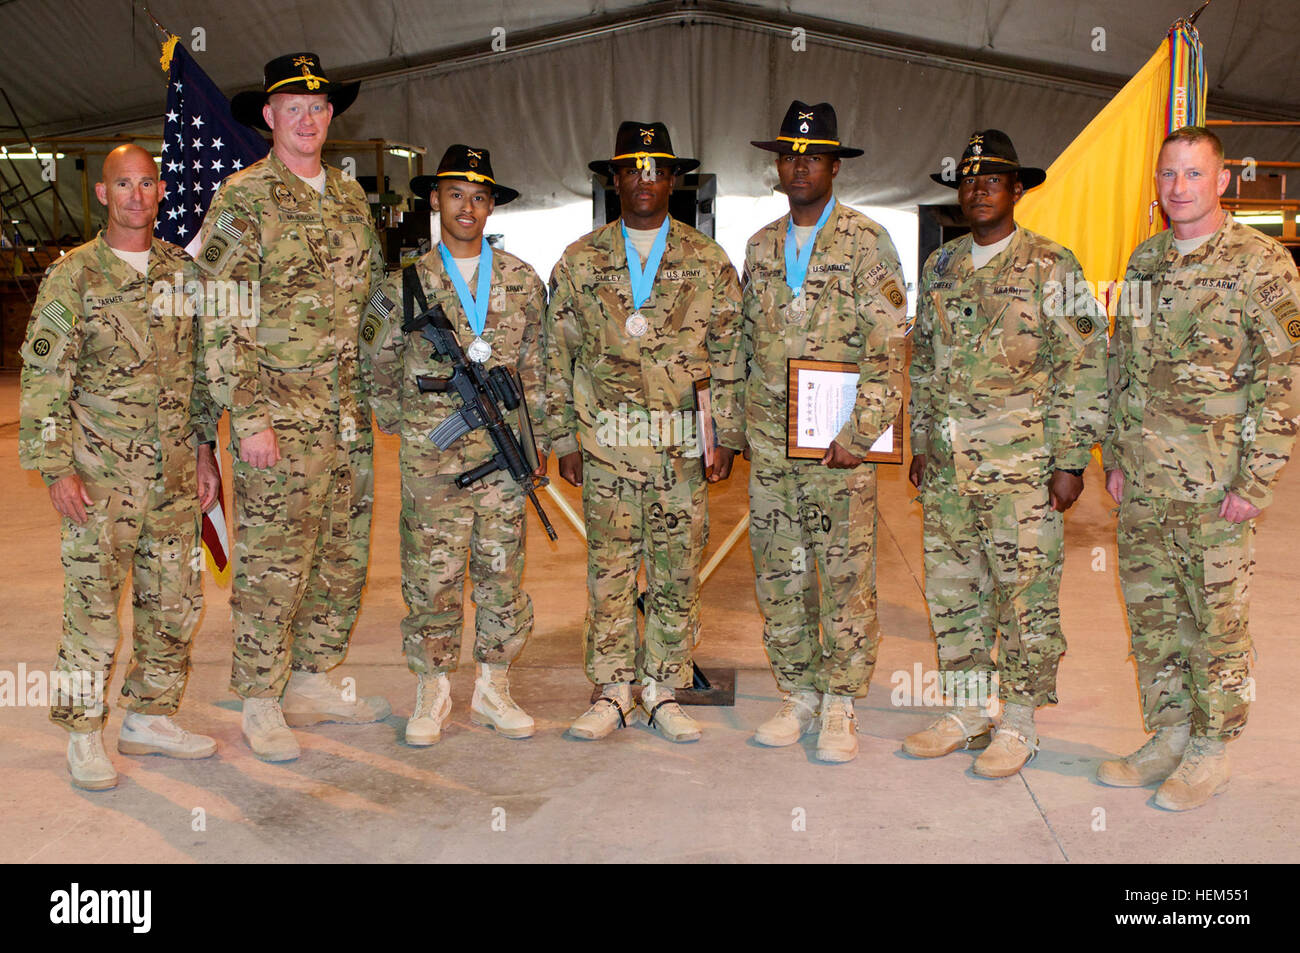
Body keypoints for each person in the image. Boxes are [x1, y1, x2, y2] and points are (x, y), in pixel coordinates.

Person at [1098, 125, 1300, 810]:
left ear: (1222, 181)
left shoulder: (1261, 262)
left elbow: (1283, 377)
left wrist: (1257, 479)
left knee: (1216, 622)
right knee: (1153, 616)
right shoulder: (1145, 261)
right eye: (1167, 174)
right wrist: (1115, 456)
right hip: (1143, 482)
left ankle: (1211, 750)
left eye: (1192, 173)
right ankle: (1169, 735)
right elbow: (1122, 364)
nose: (1177, 187)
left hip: (1217, 486)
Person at [198, 53, 388, 762]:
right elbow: (223, 315)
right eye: (292, 108)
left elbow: (374, 302)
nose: (306, 120)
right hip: (278, 419)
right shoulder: (242, 199)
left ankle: (311, 678)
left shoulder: (350, 198)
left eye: (317, 107)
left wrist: (390, 383)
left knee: (341, 554)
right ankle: (259, 696)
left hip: (347, 416)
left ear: (330, 116)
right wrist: (248, 420)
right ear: (269, 117)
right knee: (274, 561)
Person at [903, 130, 1107, 778]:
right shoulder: (942, 266)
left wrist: (1071, 460)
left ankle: (1019, 721)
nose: (977, 191)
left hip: (1024, 472)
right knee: (954, 594)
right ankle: (967, 711)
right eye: (968, 180)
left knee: (1025, 600)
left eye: (991, 180)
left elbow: (1084, 362)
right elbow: (924, 362)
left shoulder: (1053, 264)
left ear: (1017, 190)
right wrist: (921, 440)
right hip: (950, 472)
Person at [19, 143, 221, 790]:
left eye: (147, 183)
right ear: (103, 194)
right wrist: (56, 467)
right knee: (94, 606)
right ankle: (83, 732)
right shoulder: (74, 276)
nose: (137, 195)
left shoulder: (181, 274)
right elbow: (44, 379)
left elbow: (199, 375)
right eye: (124, 184)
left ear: (160, 191)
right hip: (100, 479)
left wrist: (205, 450)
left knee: (175, 600)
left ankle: (150, 718)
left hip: (173, 477)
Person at [545, 121, 744, 742]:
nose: (644, 180)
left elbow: (730, 355)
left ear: (674, 179)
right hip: (606, 446)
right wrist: (563, 440)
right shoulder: (580, 261)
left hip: (680, 449)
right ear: (614, 179)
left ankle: (662, 689)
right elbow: (556, 357)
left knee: (675, 572)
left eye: (656, 169)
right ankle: (611, 691)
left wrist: (726, 436)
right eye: (632, 168)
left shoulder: (708, 262)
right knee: (609, 571)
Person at [361, 145, 547, 746]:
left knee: (501, 571)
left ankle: (493, 686)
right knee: (431, 575)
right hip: (432, 463)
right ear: (436, 201)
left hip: (502, 458)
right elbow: (376, 363)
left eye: (479, 197)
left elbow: (537, 369)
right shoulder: (402, 284)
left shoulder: (521, 280)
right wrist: (411, 426)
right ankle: (433, 687)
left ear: (492, 207)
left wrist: (537, 440)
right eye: (456, 195)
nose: (467, 207)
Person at [742, 101, 908, 763]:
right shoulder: (759, 247)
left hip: (840, 448)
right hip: (771, 447)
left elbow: (889, 346)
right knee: (779, 574)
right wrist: (736, 433)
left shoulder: (868, 242)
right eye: (789, 155)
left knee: (843, 577)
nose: (799, 166)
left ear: (835, 166)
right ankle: (798, 693)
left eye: (813, 156)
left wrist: (860, 433)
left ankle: (841, 700)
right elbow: (744, 347)